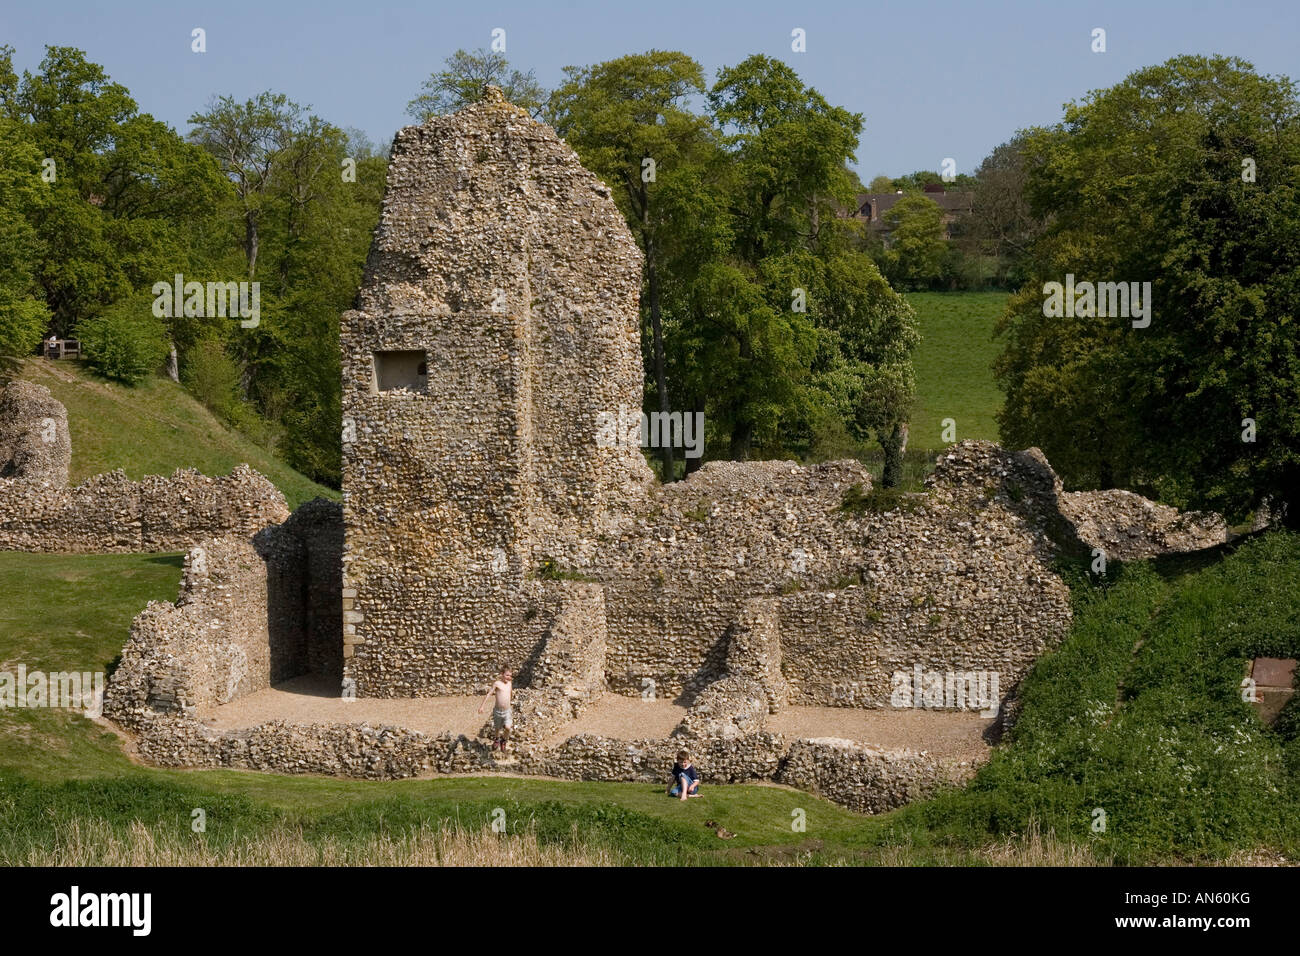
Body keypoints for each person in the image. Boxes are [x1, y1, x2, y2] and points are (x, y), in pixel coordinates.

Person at [477, 665, 513, 752]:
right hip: (497, 711)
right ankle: (497, 739)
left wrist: (510, 702)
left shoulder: (510, 684)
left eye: (510, 675)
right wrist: (482, 706)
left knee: (508, 727)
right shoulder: (497, 684)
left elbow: (510, 693)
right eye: (507, 675)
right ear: (502, 674)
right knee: (497, 728)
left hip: (507, 711)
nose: (509, 677)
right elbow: (489, 694)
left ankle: (503, 741)